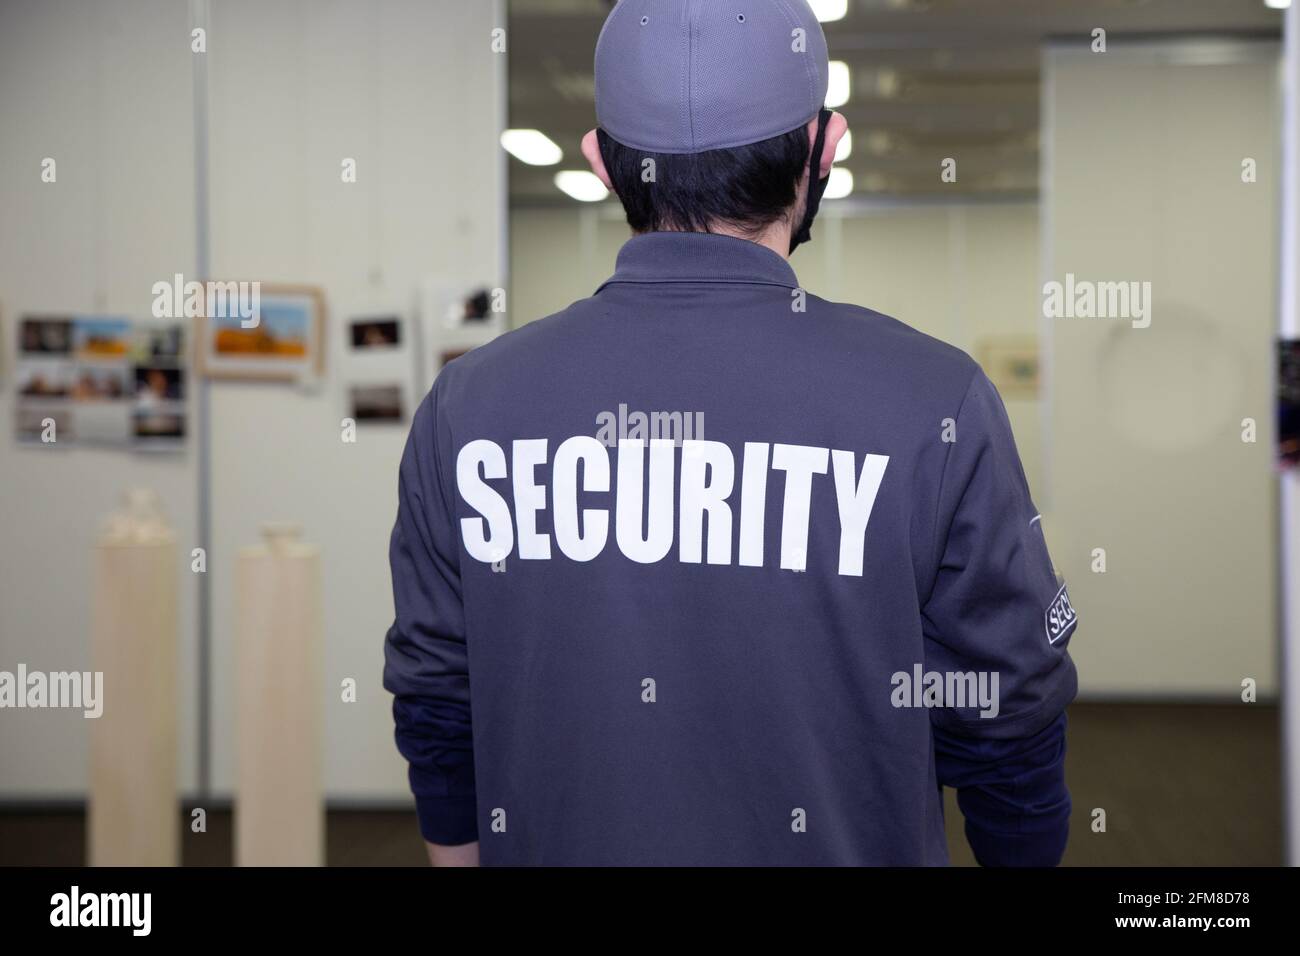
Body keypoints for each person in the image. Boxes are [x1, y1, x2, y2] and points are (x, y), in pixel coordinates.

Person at [383, 0, 1077, 867]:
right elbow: (1008, 716)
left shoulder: (468, 406)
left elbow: (438, 694)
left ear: (601, 163)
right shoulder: (937, 400)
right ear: (824, 151)